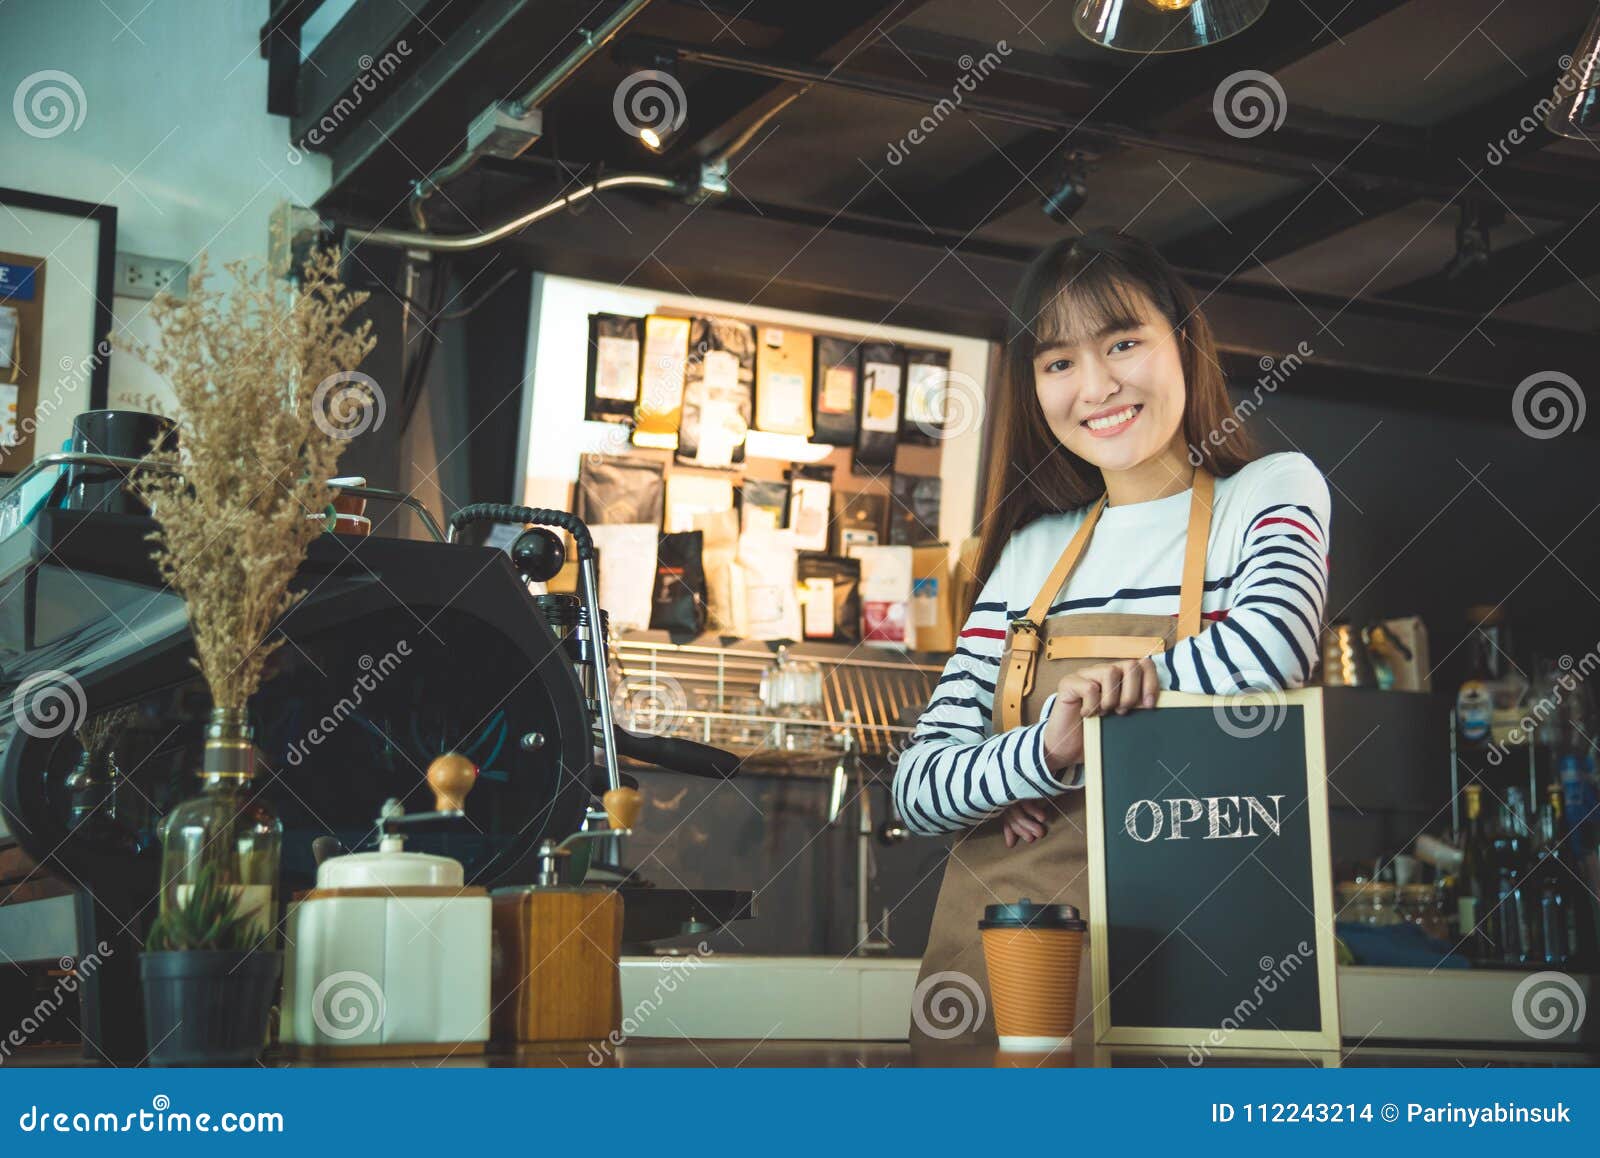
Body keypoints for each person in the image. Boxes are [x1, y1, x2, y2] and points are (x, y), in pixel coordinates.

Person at [893, 229, 1331, 1050]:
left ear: (1183, 342)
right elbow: (918, 789)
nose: (1096, 386)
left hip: (1203, 976)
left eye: (1123, 342)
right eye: (1058, 362)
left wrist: (1087, 722)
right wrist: (1041, 754)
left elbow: (1272, 648)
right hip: (1014, 1000)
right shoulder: (1031, 552)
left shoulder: (1270, 491)